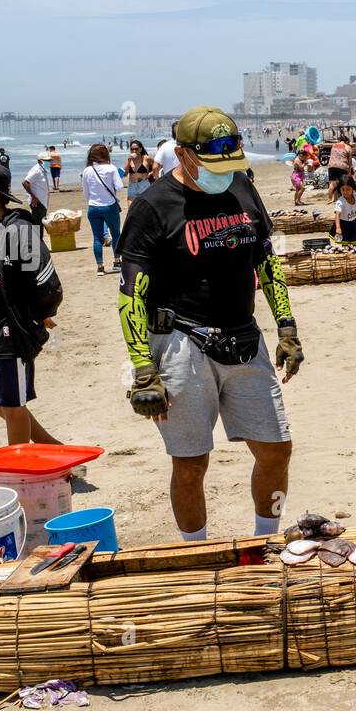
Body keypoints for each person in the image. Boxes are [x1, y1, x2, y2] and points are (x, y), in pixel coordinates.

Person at [117, 106, 303, 541]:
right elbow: (131, 295)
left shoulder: (242, 186)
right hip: (182, 344)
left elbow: (267, 263)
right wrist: (144, 369)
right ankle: (194, 553)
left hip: (244, 339)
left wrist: (287, 328)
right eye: (211, 163)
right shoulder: (152, 206)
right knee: (190, 462)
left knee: (277, 449)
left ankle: (265, 540)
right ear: (182, 155)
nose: (224, 173)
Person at [0, 159, 63, 445]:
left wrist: (40, 313)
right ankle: (52, 447)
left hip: (11, 332)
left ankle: (21, 470)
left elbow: (47, 282)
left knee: (13, 405)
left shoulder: (18, 230)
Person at [81, 143, 123, 276]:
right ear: (106, 154)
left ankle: (100, 267)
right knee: (116, 234)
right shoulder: (111, 168)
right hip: (109, 206)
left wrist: (92, 202)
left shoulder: (87, 170)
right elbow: (120, 186)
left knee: (97, 238)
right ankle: (117, 262)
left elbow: (85, 192)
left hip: (93, 207)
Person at [330, 173, 356, 245]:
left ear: (352, 188)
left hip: (354, 222)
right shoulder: (340, 202)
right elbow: (337, 215)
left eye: (348, 189)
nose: (345, 192)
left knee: (353, 241)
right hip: (343, 224)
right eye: (343, 190)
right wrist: (338, 228)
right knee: (345, 243)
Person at [22, 154, 52, 228]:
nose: (49, 162)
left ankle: (39, 239)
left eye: (49, 160)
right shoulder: (36, 170)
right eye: (46, 160)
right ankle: (36, 239)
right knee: (37, 225)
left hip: (42, 202)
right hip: (37, 202)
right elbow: (25, 183)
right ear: (39, 161)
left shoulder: (42, 170)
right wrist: (33, 196)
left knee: (40, 224)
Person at [325, 132, 352, 200]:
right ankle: (343, 198)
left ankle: (331, 199)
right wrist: (349, 171)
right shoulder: (348, 147)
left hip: (332, 166)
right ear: (347, 141)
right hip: (342, 166)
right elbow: (350, 161)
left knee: (332, 183)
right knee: (342, 183)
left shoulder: (334, 145)